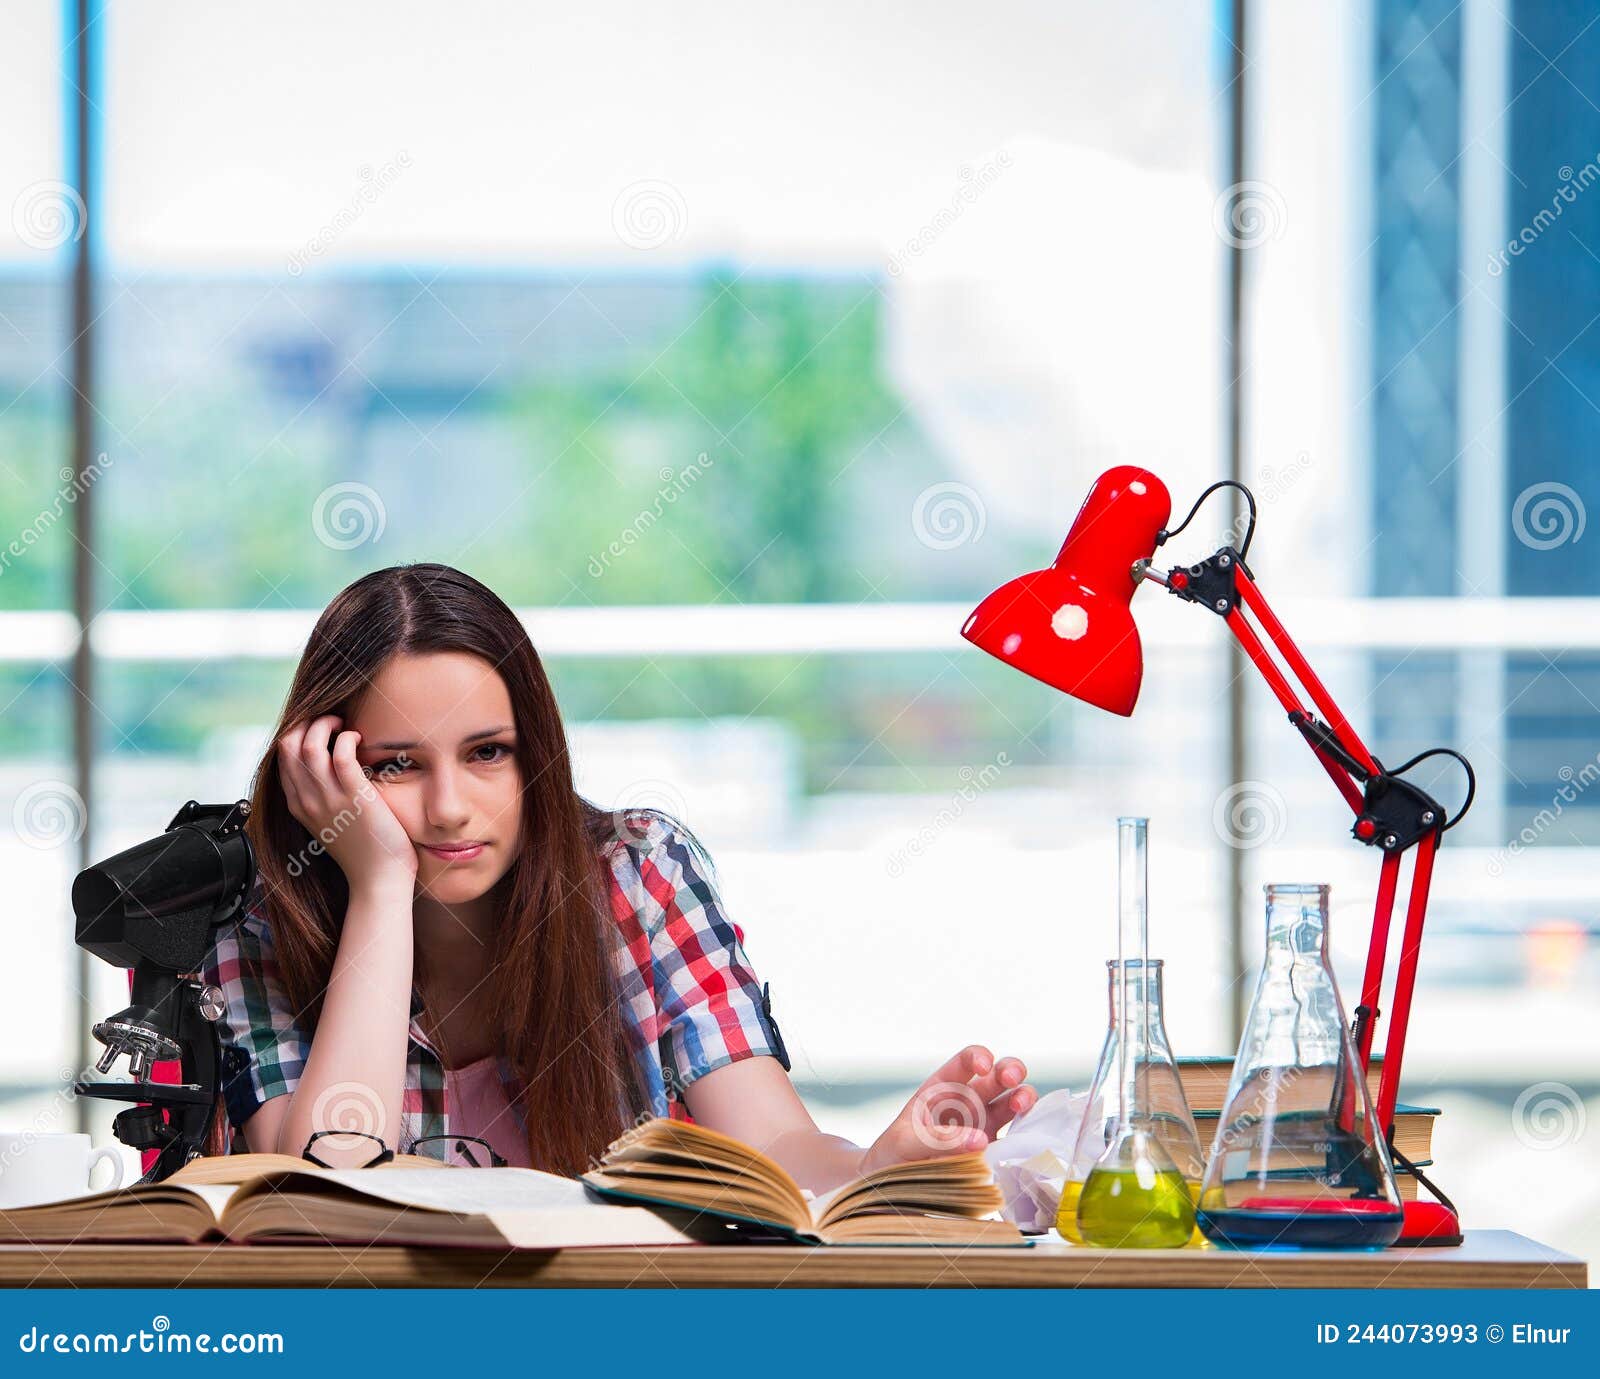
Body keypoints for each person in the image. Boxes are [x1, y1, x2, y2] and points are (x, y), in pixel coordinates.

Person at [201, 562, 1037, 1190]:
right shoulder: (259, 925)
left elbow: (777, 1151)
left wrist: (881, 1166)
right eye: (397, 764)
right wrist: (379, 887)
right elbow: (322, 1196)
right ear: (326, 768)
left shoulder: (637, 876)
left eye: (488, 752)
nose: (451, 807)